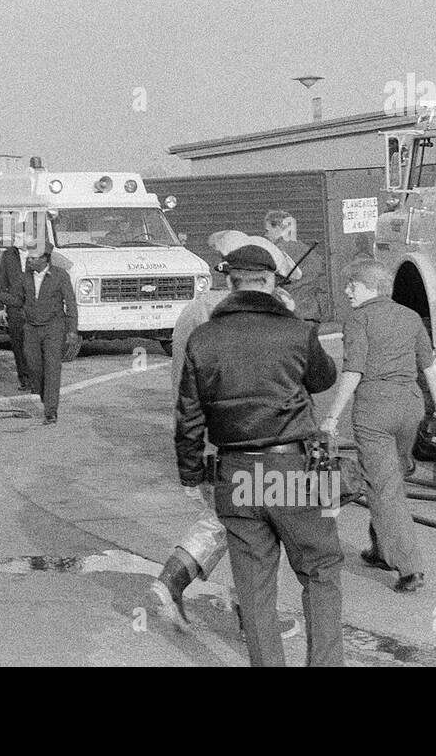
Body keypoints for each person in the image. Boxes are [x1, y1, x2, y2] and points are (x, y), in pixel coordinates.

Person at [176, 244, 344, 666]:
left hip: (235, 471)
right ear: (270, 283)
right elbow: (324, 378)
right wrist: (291, 322)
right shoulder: (296, 331)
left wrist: (192, 475)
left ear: (228, 283)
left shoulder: (204, 337)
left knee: (253, 588)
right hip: (295, 469)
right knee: (320, 570)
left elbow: (189, 418)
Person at [152, 243, 299, 640]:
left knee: (227, 519)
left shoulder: (193, 311)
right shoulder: (254, 316)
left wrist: (189, 460)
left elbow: (185, 390)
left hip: (207, 430)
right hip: (250, 436)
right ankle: (239, 610)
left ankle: (214, 597)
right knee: (254, 526)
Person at [319, 259, 436, 594]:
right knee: (389, 479)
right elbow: (430, 369)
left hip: (375, 413)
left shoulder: (359, 319)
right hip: (411, 409)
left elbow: (353, 372)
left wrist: (332, 416)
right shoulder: (409, 317)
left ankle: (409, 568)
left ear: (373, 288)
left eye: (354, 285)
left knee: (384, 487)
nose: (348, 291)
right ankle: (381, 550)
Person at [6, 238, 78, 425]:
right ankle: (44, 395)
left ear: (45, 259)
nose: (29, 261)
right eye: (28, 258)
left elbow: (70, 303)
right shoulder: (24, 277)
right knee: (34, 367)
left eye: (32, 258)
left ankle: (51, 411)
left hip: (54, 327)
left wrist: (72, 330)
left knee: (52, 368)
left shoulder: (60, 276)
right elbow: (16, 300)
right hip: (31, 328)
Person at [264, 210, 324, 322]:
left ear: (277, 228)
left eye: (268, 230)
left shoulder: (277, 251)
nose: (266, 235)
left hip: (289, 312)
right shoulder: (307, 250)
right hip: (311, 311)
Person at [0, 231, 32, 391]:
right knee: (18, 345)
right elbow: (1, 280)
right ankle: (24, 379)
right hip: (15, 307)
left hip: (35, 307)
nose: (15, 240)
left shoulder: (41, 254)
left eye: (19, 237)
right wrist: (0, 307)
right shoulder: (8, 255)